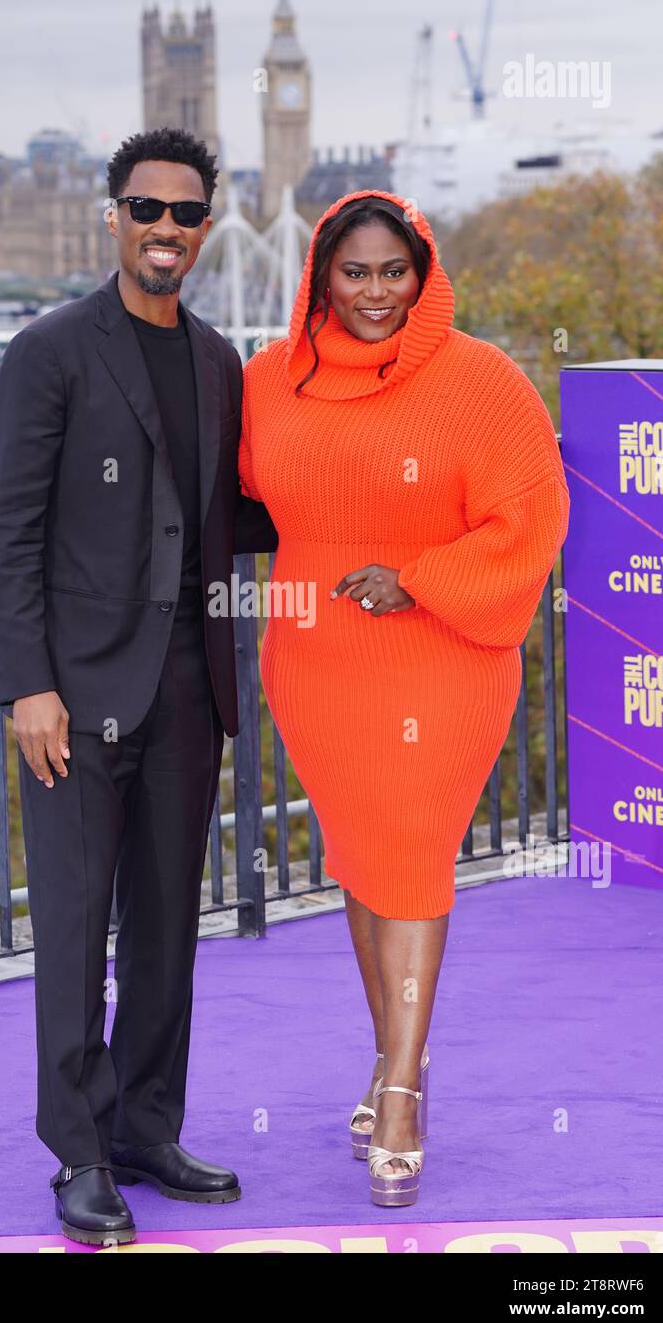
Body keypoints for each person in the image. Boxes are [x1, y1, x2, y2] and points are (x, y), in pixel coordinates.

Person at [239, 188, 570, 1207]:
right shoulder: (269, 379)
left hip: (442, 654)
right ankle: (397, 1055)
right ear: (321, 276)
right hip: (315, 659)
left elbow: (530, 519)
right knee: (362, 859)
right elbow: (230, 486)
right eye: (355, 272)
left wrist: (416, 578)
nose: (375, 292)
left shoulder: (481, 380)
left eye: (394, 271)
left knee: (414, 857)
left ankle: (398, 1096)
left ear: (421, 276)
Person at [0, 127, 277, 1245]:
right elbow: (7, 529)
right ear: (113, 217)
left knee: (164, 929)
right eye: (146, 208)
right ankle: (81, 1153)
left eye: (186, 213)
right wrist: (27, 685)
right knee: (73, 930)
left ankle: (148, 1129)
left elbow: (229, 513)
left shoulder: (218, 360)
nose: (165, 228)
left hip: (190, 691)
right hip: (73, 696)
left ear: (205, 228)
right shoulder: (49, 350)